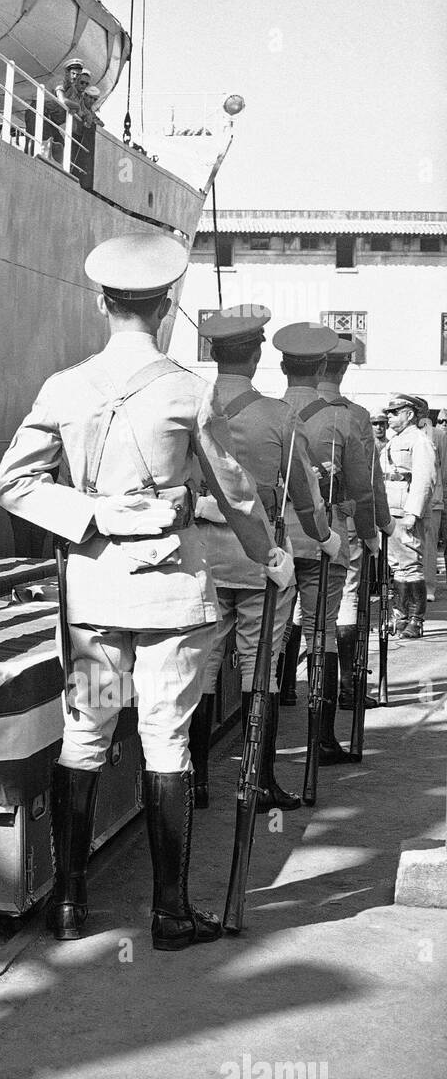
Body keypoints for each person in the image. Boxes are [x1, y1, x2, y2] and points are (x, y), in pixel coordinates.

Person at [0, 234, 289, 952]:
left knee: (87, 735)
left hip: (94, 596)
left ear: (102, 302)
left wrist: (93, 513)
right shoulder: (189, 390)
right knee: (165, 742)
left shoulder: (64, 387)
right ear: (166, 305)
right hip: (169, 600)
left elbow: (12, 483)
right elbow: (236, 492)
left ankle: (69, 905)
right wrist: (269, 555)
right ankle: (169, 913)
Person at [192, 306, 331, 812]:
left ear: (212, 353)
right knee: (261, 669)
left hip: (199, 558)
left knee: (201, 667)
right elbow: (303, 497)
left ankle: (195, 782)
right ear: (256, 356)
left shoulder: (190, 405)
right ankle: (257, 780)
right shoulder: (279, 417)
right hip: (259, 560)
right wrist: (325, 538)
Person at [273, 324, 378, 768]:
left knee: (270, 637)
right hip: (324, 538)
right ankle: (324, 738)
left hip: (275, 538)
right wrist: (371, 535)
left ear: (282, 365)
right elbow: (365, 489)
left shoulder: (266, 408)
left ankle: (272, 729)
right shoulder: (348, 417)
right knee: (324, 634)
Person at [319, 336, 391, 732]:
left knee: (295, 608)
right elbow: (367, 481)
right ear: (342, 368)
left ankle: (290, 690)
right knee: (344, 601)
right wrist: (376, 527)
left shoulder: (282, 407)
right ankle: (346, 686)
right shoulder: (356, 416)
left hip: (291, 527)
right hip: (339, 521)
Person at [379, 392, 436, 639]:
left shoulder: (419, 440)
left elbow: (424, 478)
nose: (389, 416)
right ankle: (400, 617)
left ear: (410, 414)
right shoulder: (394, 441)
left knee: (410, 566)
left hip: (405, 511)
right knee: (398, 566)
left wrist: (413, 513)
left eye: (395, 412)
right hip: (391, 510)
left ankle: (415, 619)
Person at [415, 398, 443, 600]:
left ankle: (428, 587)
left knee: (429, 544)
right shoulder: (402, 436)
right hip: (409, 499)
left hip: (433, 499)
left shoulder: (439, 435)